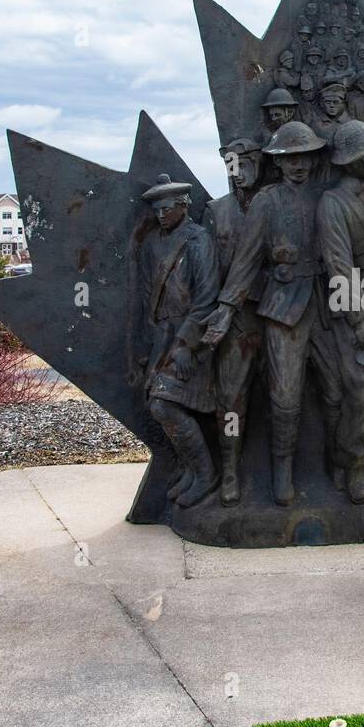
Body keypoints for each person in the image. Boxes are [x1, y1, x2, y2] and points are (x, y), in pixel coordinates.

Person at [202, 122, 342, 507]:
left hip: (326, 305)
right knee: (284, 396)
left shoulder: (326, 197)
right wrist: (226, 309)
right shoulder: (267, 201)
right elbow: (245, 261)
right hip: (283, 308)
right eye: (290, 159)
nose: (299, 165)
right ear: (278, 164)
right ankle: (282, 472)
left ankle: (341, 464)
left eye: (305, 158)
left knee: (336, 391)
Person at [317, 120, 364, 504]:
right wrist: (360, 320)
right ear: (347, 163)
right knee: (359, 391)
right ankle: (355, 466)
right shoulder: (333, 203)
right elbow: (338, 265)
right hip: (356, 301)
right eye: (361, 157)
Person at [137, 176, 220, 509]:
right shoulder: (154, 242)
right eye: (156, 209)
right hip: (164, 336)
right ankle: (190, 470)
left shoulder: (198, 241)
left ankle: (205, 474)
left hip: (191, 337)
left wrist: (186, 345)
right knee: (159, 404)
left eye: (167, 208)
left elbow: (206, 298)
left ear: (184, 206)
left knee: (164, 405)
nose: (160, 214)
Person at [202, 139, 266, 506]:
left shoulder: (274, 205)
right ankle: (230, 469)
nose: (238, 171)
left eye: (245, 163)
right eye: (232, 164)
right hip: (235, 322)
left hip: (276, 315)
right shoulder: (217, 212)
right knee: (230, 401)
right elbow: (209, 276)